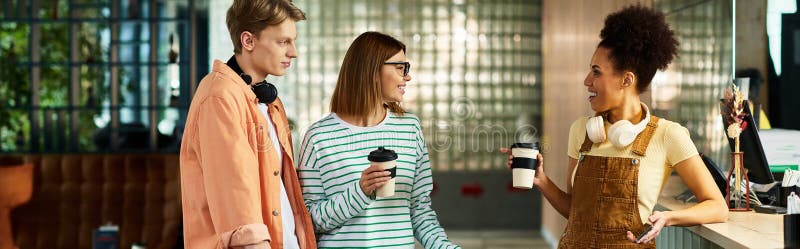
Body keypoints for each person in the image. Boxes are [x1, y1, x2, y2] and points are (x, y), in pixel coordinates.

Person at [500, 5, 728, 248]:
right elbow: (575, 212)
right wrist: (541, 180)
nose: (587, 80)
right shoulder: (582, 131)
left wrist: (669, 217)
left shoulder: (668, 135)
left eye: (596, 72)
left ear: (626, 79)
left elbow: (717, 206)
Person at [298, 32, 460, 249]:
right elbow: (309, 220)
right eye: (400, 67)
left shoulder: (409, 129)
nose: (407, 76)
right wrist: (360, 191)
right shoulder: (319, 137)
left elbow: (421, 214)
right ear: (373, 70)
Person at [179, 0, 316, 248]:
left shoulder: (267, 101)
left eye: (293, 41)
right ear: (248, 41)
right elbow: (239, 211)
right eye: (283, 41)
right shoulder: (219, 97)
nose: (293, 51)